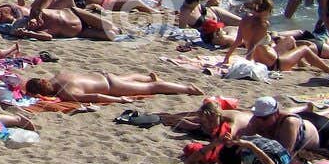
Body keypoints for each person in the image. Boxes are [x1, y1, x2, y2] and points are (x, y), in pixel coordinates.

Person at [22, 70, 201, 103]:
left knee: (153, 88)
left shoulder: (67, 93)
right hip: (104, 75)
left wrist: (119, 100)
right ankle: (146, 76)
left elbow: (97, 97)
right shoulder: (58, 76)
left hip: (111, 87)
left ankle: (187, 89)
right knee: (129, 79)